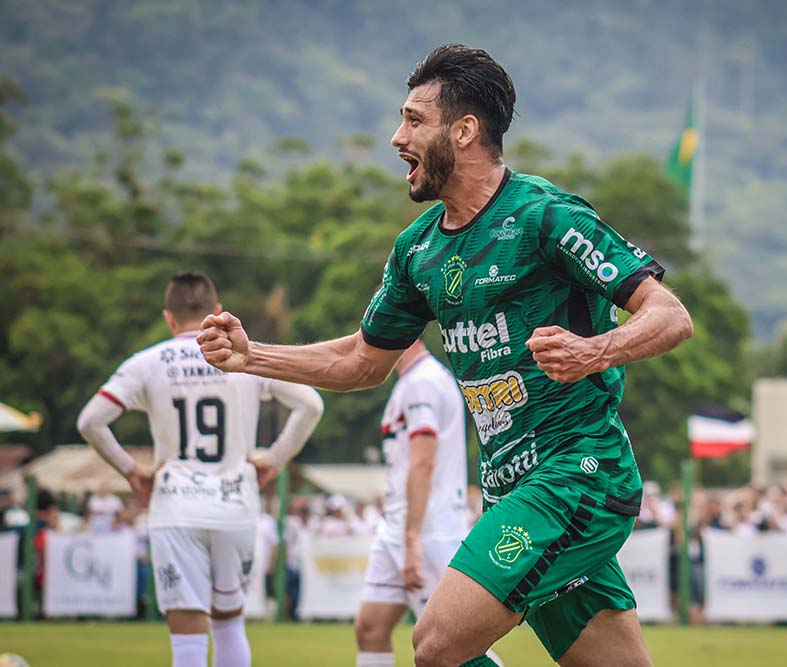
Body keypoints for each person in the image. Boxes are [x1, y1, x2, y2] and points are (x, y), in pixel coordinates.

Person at [198, 44, 692, 667]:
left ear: (464, 131)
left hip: (577, 476)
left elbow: (670, 315)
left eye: (413, 120)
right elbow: (362, 360)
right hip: (512, 491)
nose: (396, 136)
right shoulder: (418, 251)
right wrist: (252, 356)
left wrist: (595, 350)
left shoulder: (546, 216)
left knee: (437, 647)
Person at [77, 272, 324, 667]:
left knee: (188, 636)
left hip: (176, 507)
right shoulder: (241, 358)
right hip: (235, 503)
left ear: (169, 318)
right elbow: (311, 405)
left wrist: (132, 471)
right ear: (217, 312)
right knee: (229, 624)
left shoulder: (147, 362)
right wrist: (273, 461)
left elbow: (91, 421)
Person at [355, 338, 489, 667]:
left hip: (428, 531)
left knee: (451, 648)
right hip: (400, 527)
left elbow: (423, 462)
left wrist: (412, 538)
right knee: (370, 628)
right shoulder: (413, 380)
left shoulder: (424, 381)